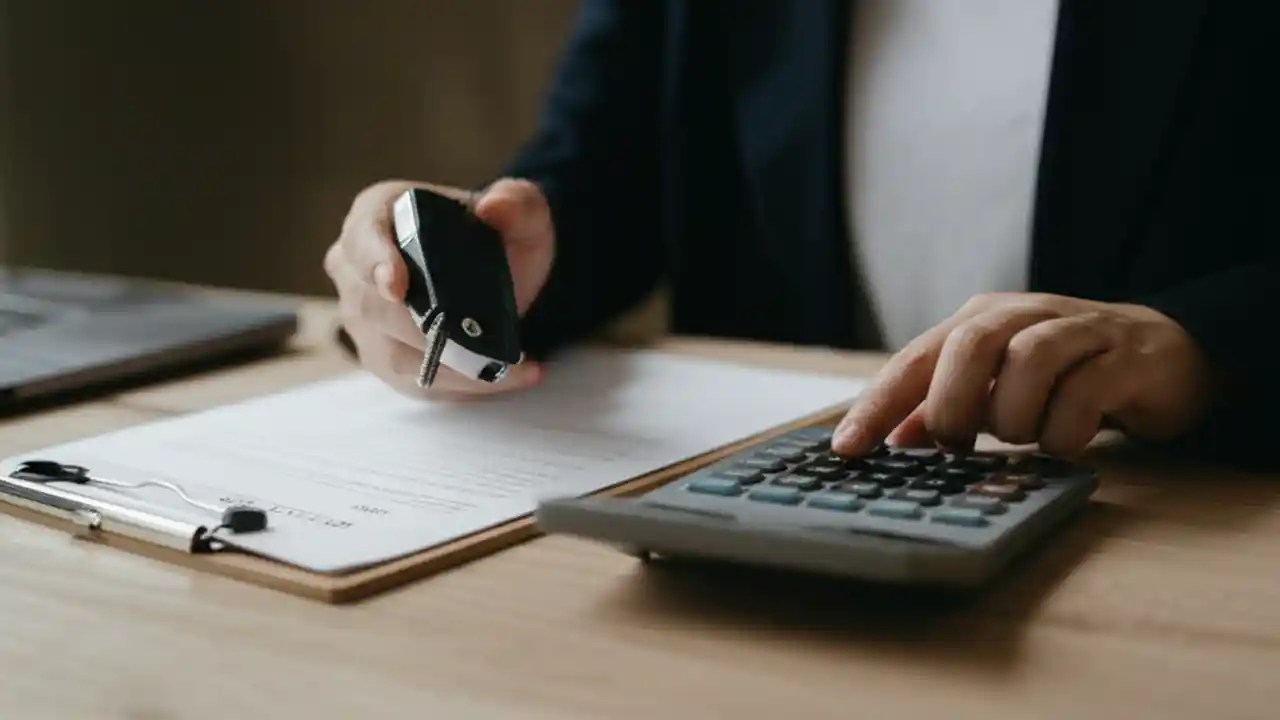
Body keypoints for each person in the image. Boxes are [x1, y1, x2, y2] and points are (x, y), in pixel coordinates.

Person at [323, 1, 1276, 467]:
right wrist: (458, 266)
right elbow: (594, 184)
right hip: (777, 531)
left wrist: (1209, 346)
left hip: (1180, 520)